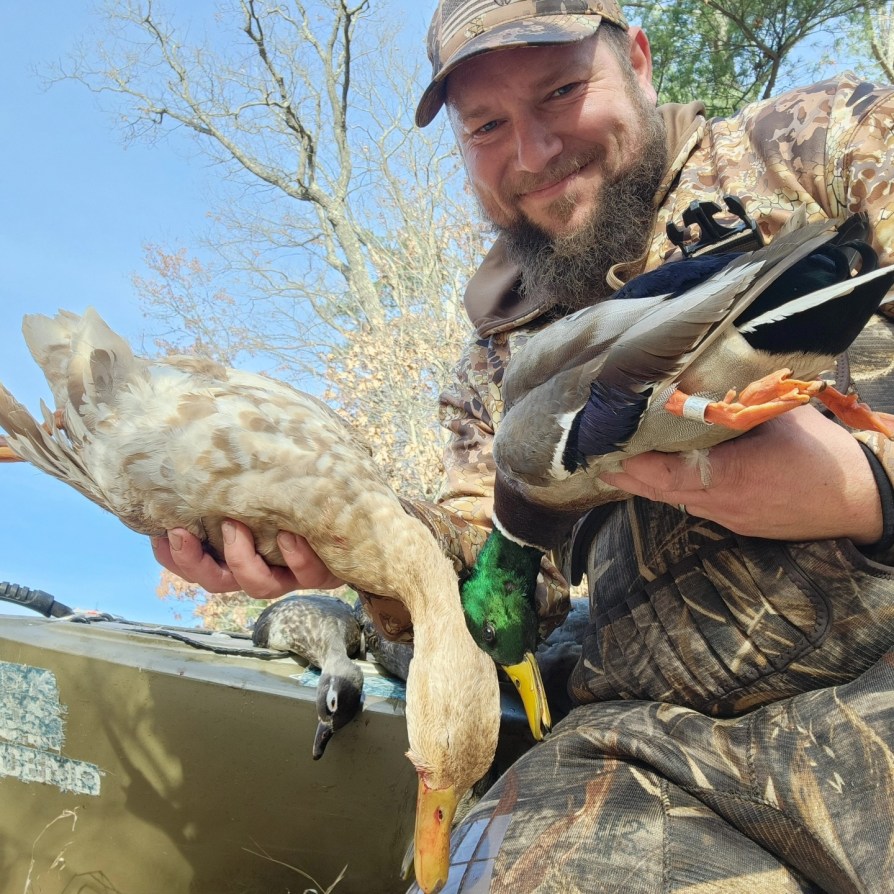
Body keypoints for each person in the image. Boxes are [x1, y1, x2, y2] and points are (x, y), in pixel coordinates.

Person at [153, 1, 894, 889]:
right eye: (488, 125)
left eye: (562, 92)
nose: (534, 152)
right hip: (650, 750)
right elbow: (488, 567)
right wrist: (326, 544)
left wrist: (866, 489)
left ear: (642, 65)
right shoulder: (489, 367)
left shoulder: (819, 142)